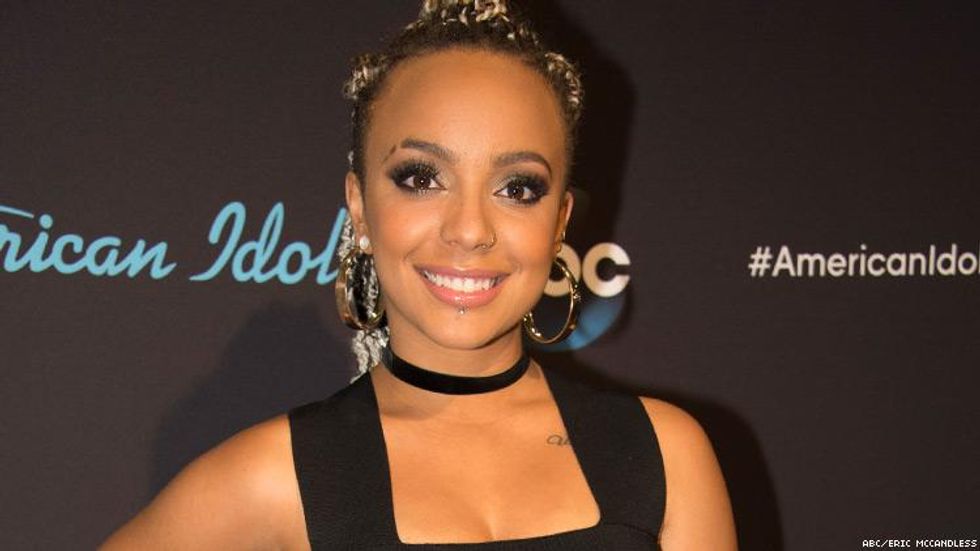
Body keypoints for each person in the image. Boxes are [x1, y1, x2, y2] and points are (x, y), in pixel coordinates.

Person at [100, 1, 737, 549]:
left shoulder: (663, 455)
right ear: (360, 207)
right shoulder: (275, 476)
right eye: (421, 178)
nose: (470, 229)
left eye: (518, 188)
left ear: (560, 221)